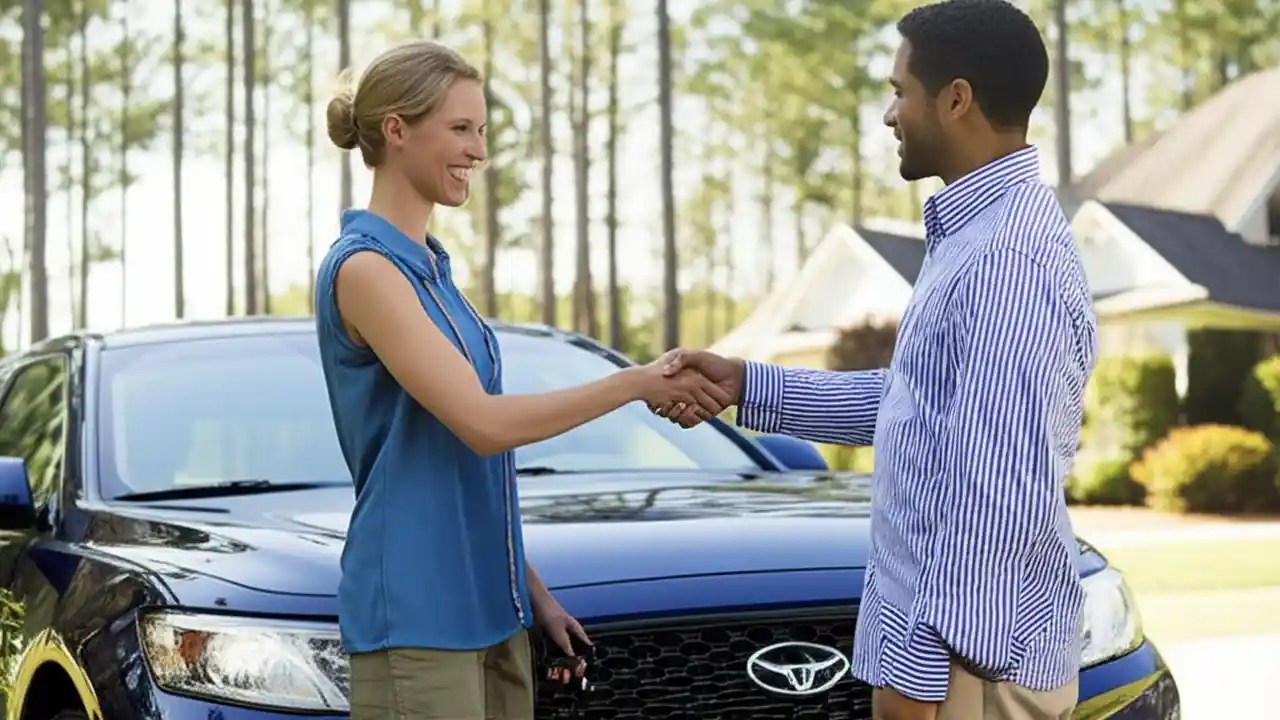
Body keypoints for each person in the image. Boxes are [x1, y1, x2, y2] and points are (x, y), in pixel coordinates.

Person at [660, 1, 1097, 718]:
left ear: (956, 99)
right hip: (950, 667)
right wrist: (746, 383)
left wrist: (919, 679)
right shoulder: (974, 237)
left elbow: (997, 490)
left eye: (899, 92)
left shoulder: (1008, 259)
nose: (890, 115)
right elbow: (917, 407)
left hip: (968, 677)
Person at [315, 40, 728, 720]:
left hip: (491, 610)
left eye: (480, 131)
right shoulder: (366, 271)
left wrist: (530, 593)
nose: (478, 151)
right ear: (396, 130)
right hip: (418, 617)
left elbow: (465, 469)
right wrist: (634, 384)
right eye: (460, 129)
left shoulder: (432, 272)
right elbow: (484, 426)